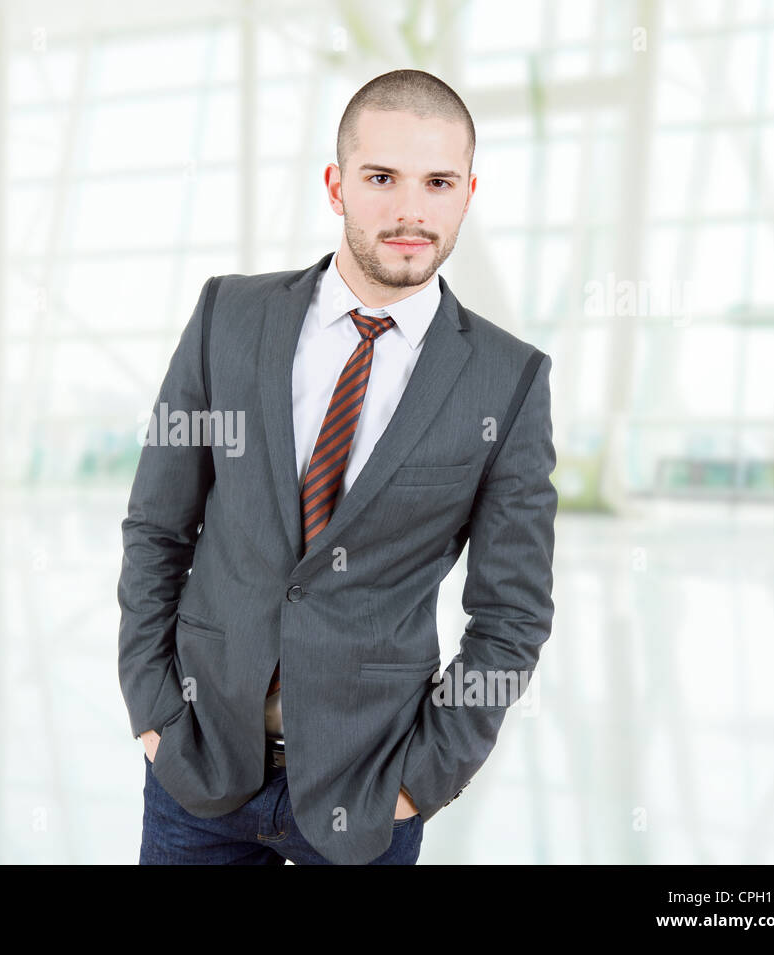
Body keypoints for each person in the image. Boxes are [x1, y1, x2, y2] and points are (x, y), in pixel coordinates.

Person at [117, 70, 557, 865]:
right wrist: (153, 711)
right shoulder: (229, 315)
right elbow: (156, 525)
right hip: (198, 769)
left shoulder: (509, 379)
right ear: (337, 184)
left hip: (371, 790)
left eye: (438, 182)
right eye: (382, 178)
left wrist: (424, 777)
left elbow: (512, 615)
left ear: (467, 194)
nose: (410, 210)